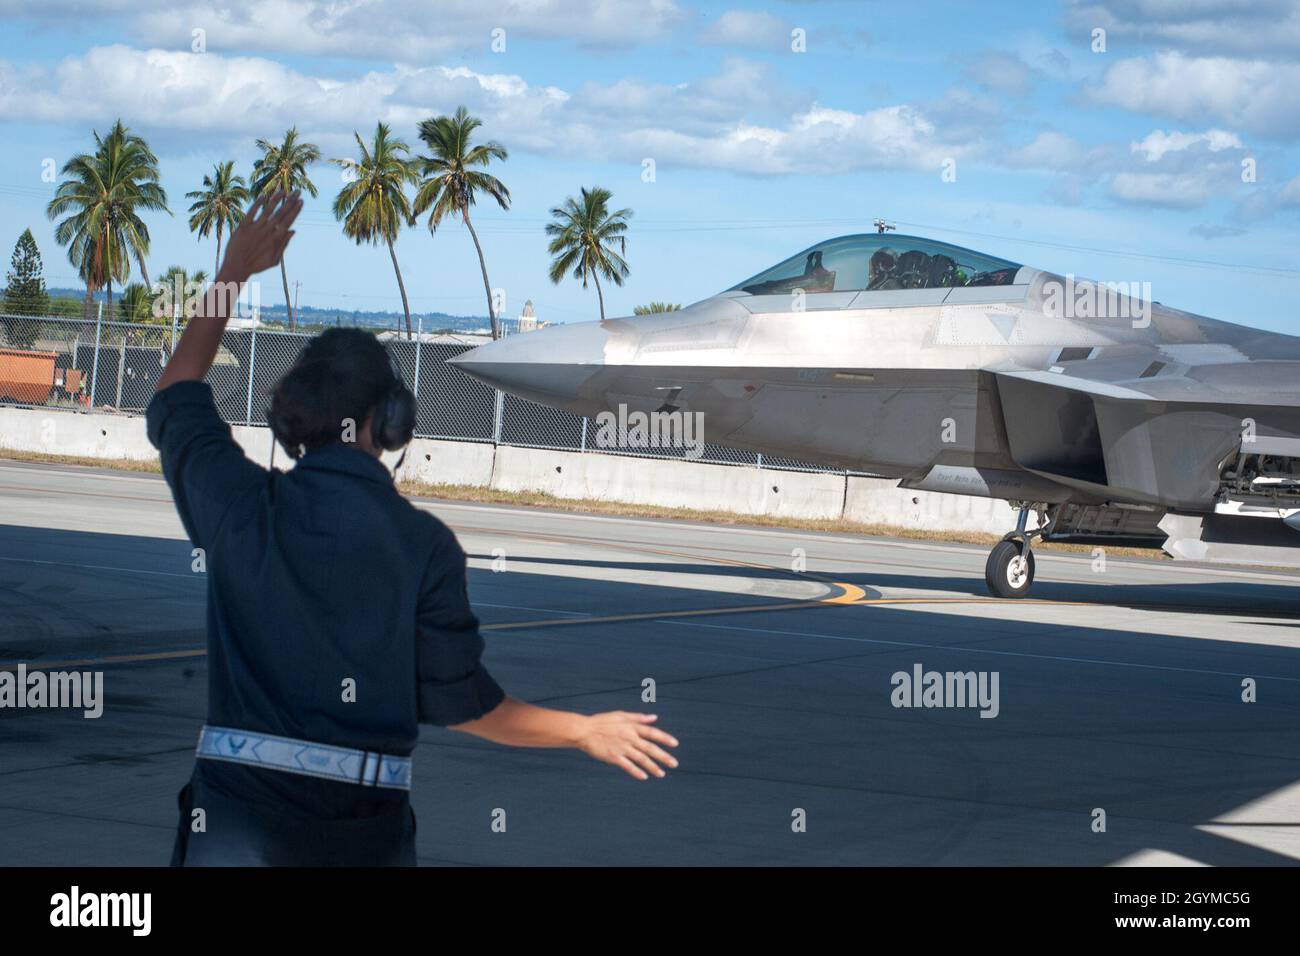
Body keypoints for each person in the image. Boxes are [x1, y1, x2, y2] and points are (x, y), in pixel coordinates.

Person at [148, 191, 678, 866]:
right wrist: (581, 730)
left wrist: (232, 271)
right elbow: (470, 707)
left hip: (231, 825)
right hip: (362, 836)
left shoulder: (240, 506)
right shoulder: (423, 545)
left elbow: (174, 393)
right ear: (390, 422)